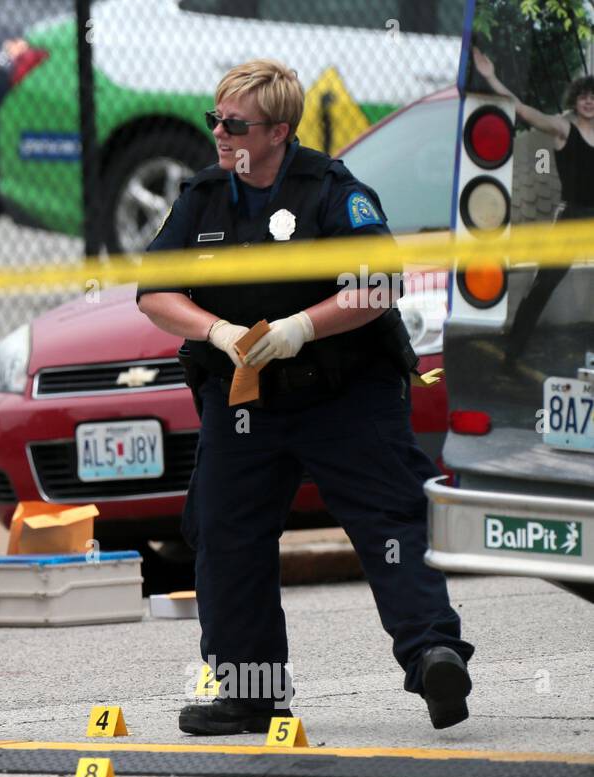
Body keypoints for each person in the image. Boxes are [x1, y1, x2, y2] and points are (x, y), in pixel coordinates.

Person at [136, 60, 474, 735]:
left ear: (278, 132)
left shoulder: (331, 192)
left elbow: (379, 285)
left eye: (236, 125)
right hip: (245, 401)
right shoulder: (203, 196)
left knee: (391, 523)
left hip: (342, 393)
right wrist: (217, 331)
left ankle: (433, 655)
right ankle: (250, 694)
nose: (220, 133)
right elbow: (154, 292)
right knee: (225, 536)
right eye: (215, 119)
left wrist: (301, 328)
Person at [473, 47, 594, 363]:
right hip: (573, 218)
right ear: (576, 100)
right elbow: (524, 111)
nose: (589, 101)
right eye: (584, 96)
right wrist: (491, 78)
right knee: (544, 284)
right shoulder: (562, 128)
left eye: (593, 97)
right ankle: (513, 350)